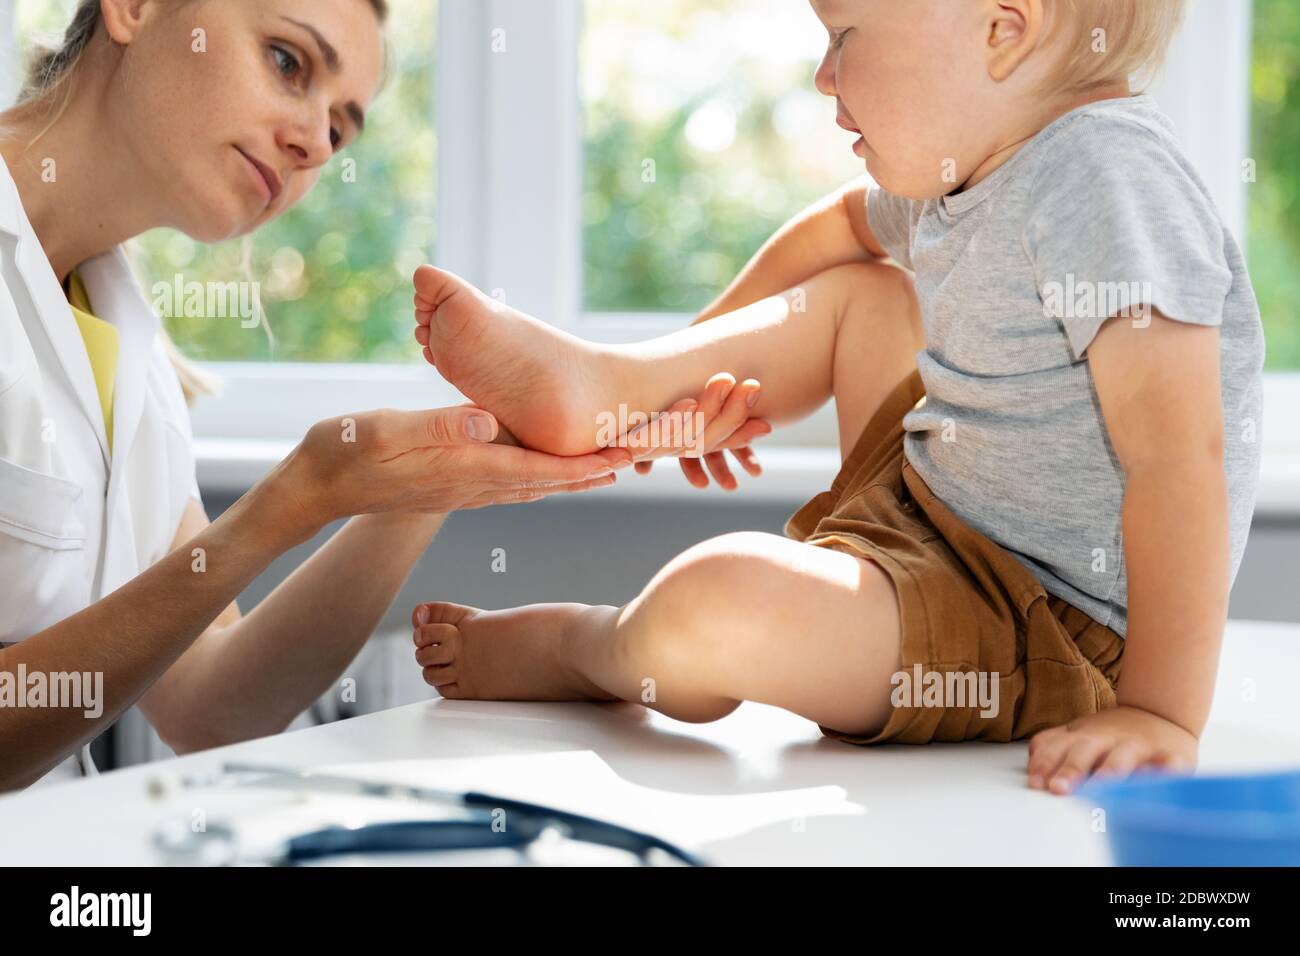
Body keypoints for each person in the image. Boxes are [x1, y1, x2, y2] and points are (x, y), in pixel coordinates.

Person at [407, 0, 1265, 795]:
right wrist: (690, 373)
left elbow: (1178, 456)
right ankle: (616, 387)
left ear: (1003, 28)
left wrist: (1157, 711)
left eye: (845, 35)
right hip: (934, 509)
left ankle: (588, 645)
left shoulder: (1106, 173)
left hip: (1038, 623)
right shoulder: (973, 166)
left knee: (712, 599)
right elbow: (840, 228)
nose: (823, 75)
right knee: (866, 291)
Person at [0, 0, 756, 791]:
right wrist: (293, 499)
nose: (311, 144)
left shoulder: (126, 337)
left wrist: (427, 483)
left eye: (340, 129)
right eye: (288, 61)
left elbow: (212, 705)